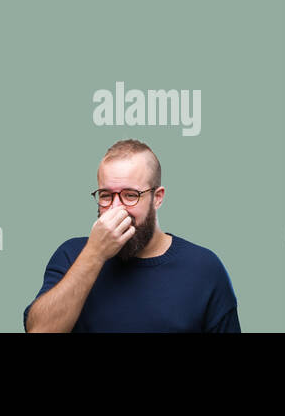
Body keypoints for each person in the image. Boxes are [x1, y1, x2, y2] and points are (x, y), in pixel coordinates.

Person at [24, 139, 239, 332]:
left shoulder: (203, 267)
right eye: (106, 196)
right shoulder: (71, 255)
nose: (116, 209)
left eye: (130, 195)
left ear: (158, 198)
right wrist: (94, 254)